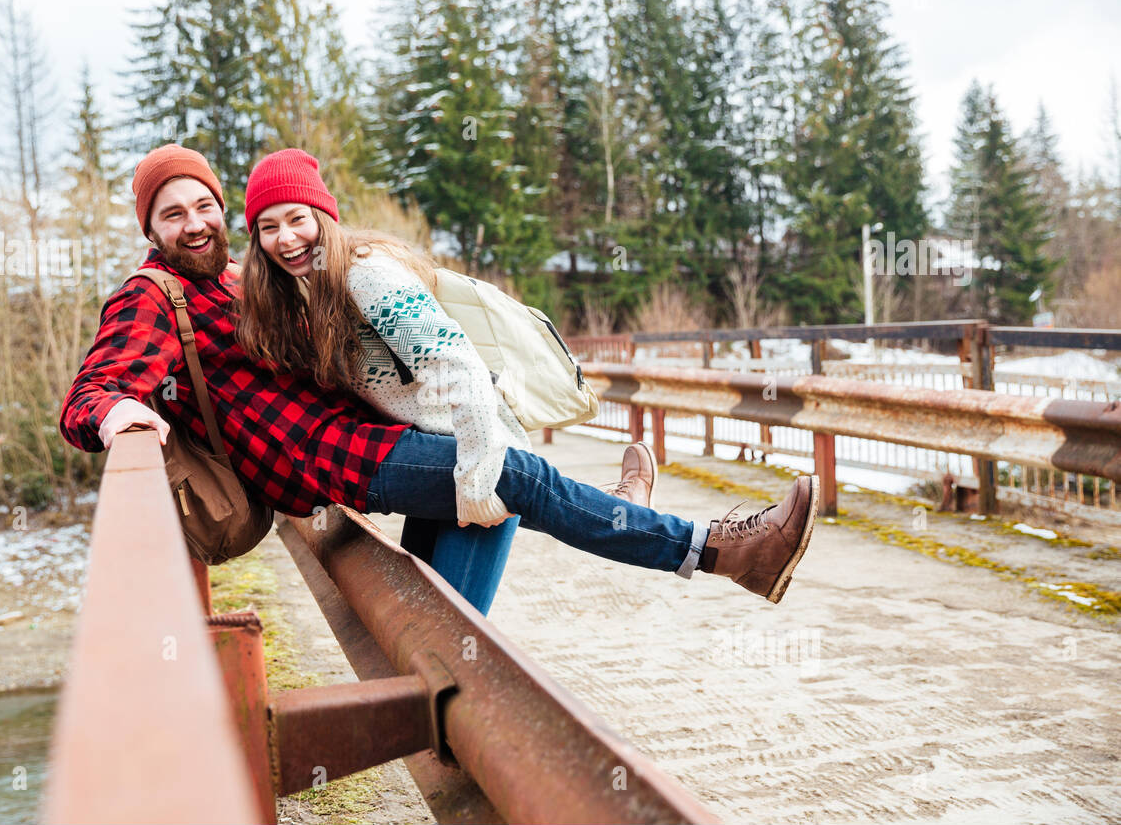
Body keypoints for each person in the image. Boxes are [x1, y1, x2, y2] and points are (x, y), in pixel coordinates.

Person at [60, 144, 818, 613]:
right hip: (334, 457)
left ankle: (453, 694)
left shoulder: (244, 282)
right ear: (150, 230)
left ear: (224, 213)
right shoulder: (149, 295)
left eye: (203, 206)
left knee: (462, 557)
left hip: (365, 441)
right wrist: (112, 414)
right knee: (512, 475)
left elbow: (399, 343)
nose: (192, 223)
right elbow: (96, 386)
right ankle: (718, 549)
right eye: (171, 215)